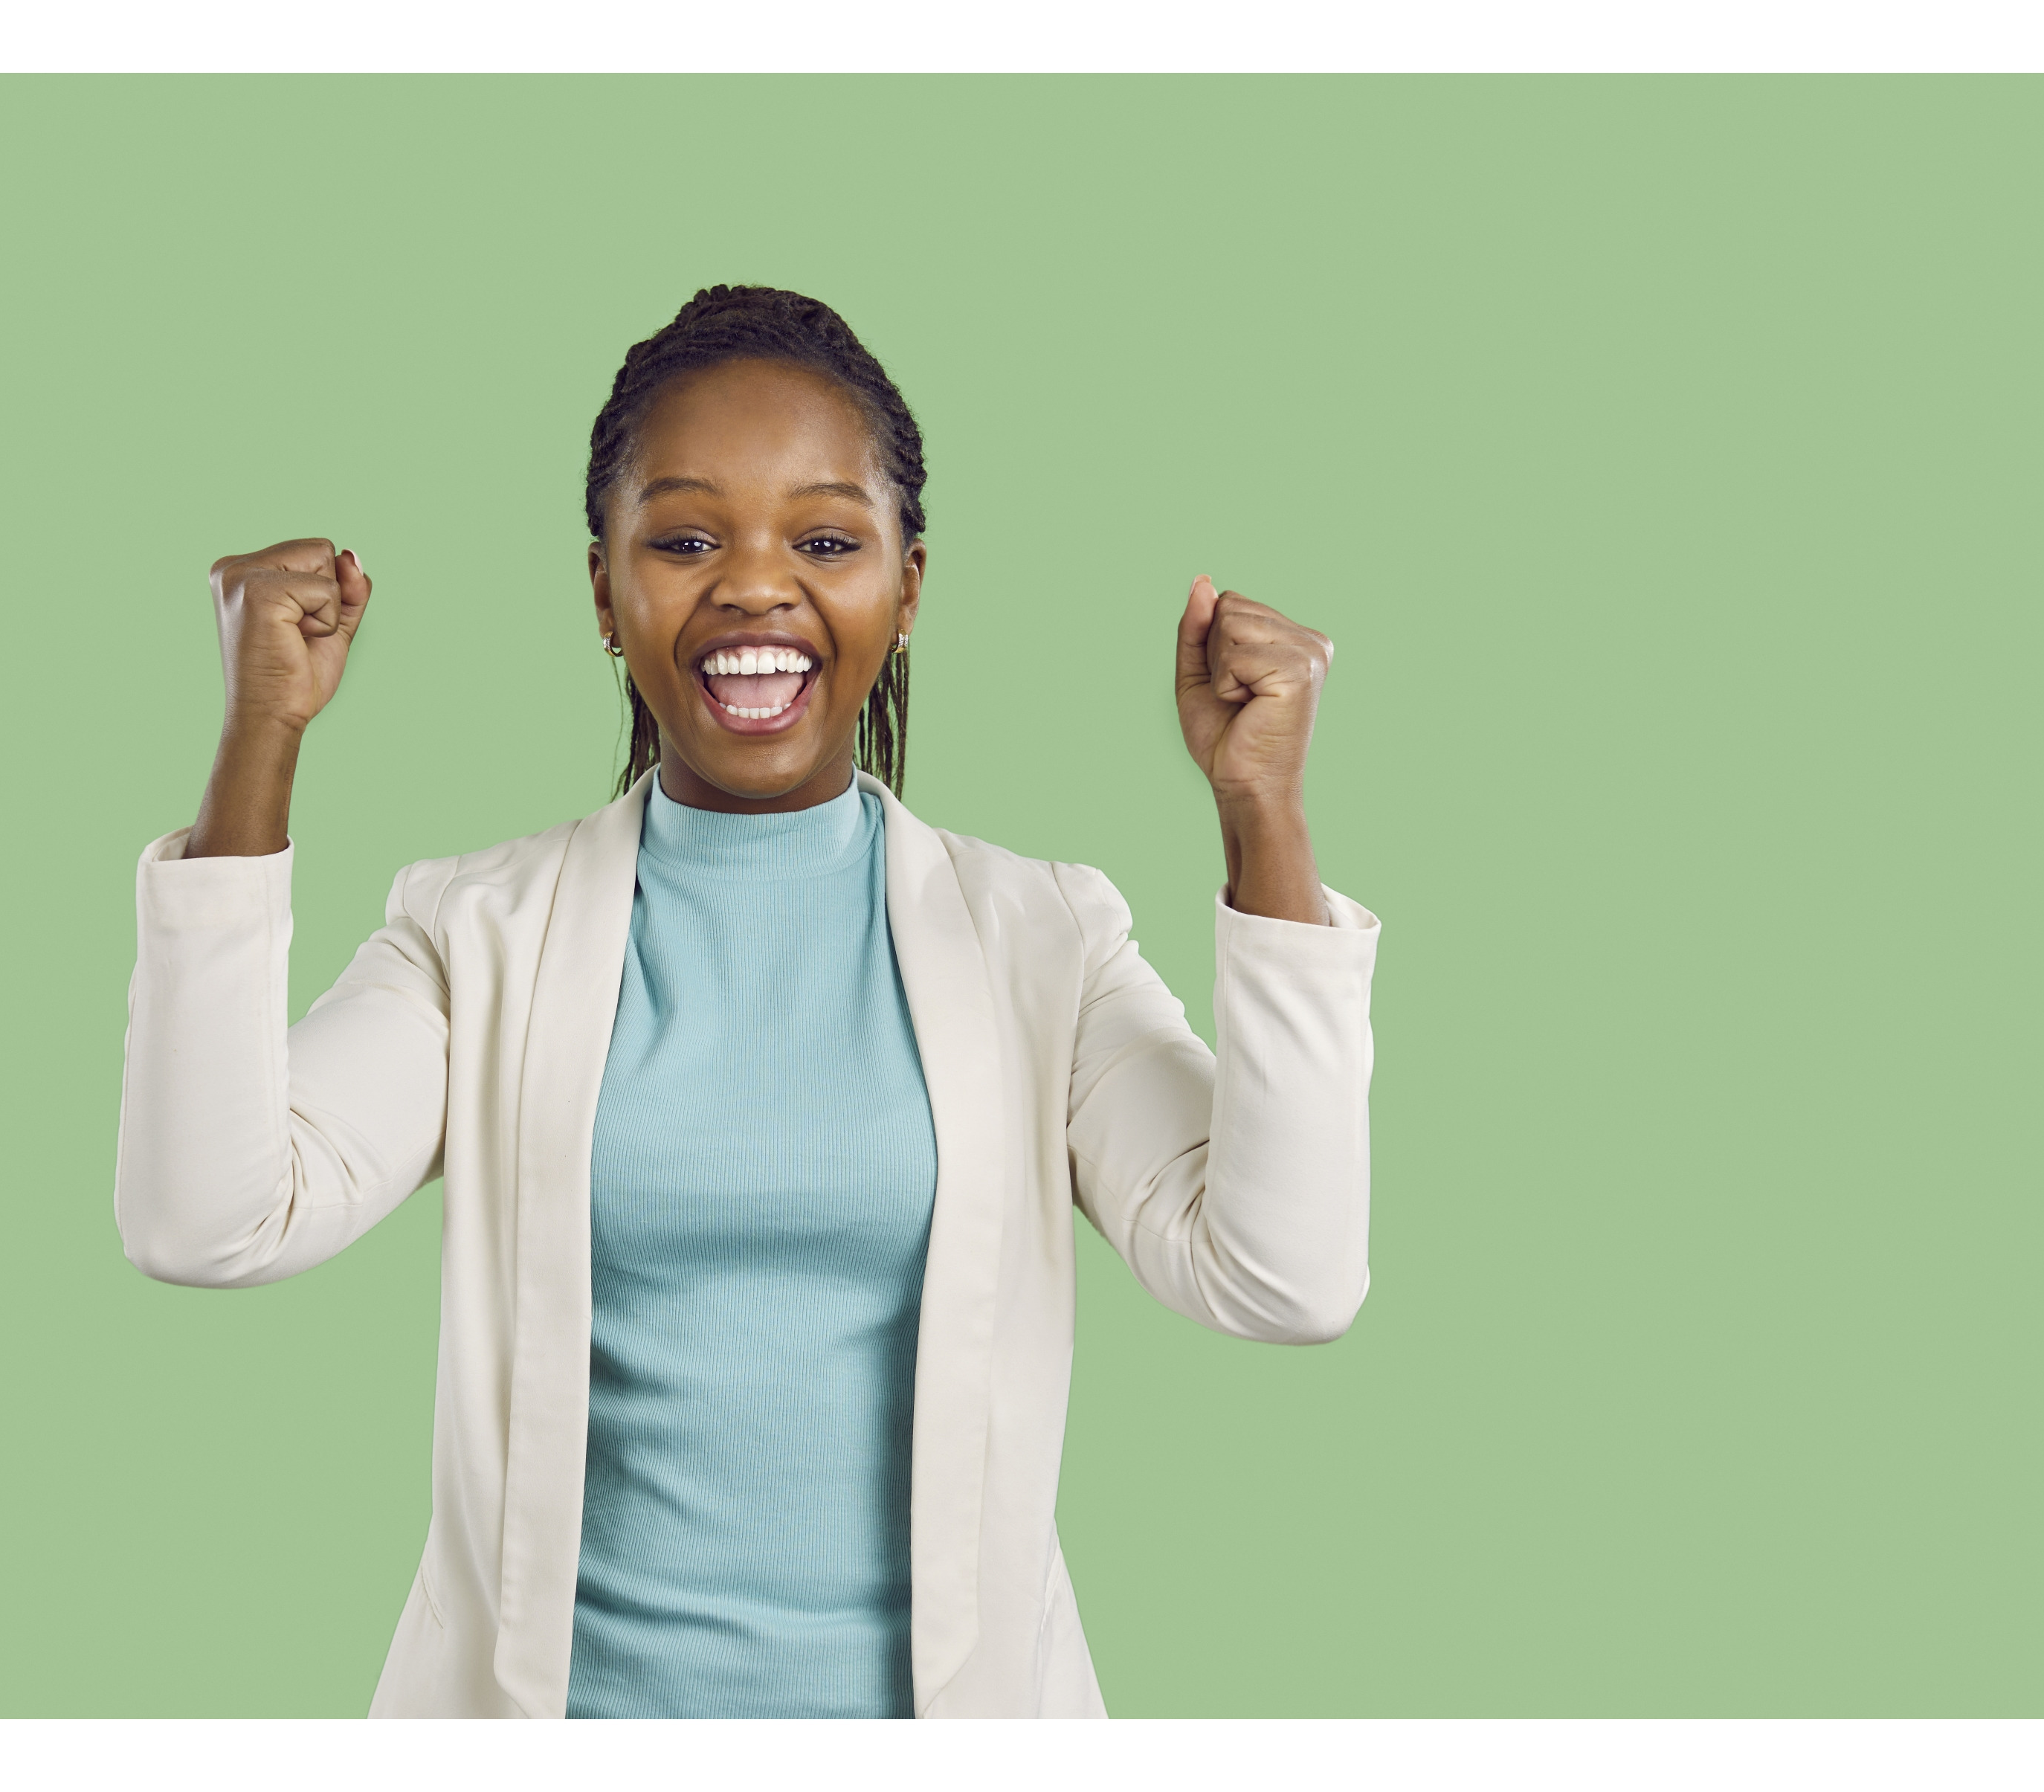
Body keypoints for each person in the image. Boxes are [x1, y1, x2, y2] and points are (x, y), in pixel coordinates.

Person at [113, 286, 1379, 1718]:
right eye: (686, 538)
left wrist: (1261, 810)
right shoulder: (476, 932)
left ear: (908, 590)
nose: (756, 587)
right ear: (605, 591)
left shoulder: (1045, 939)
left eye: (827, 540)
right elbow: (205, 1217)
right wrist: (260, 734)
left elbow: (1283, 1274)